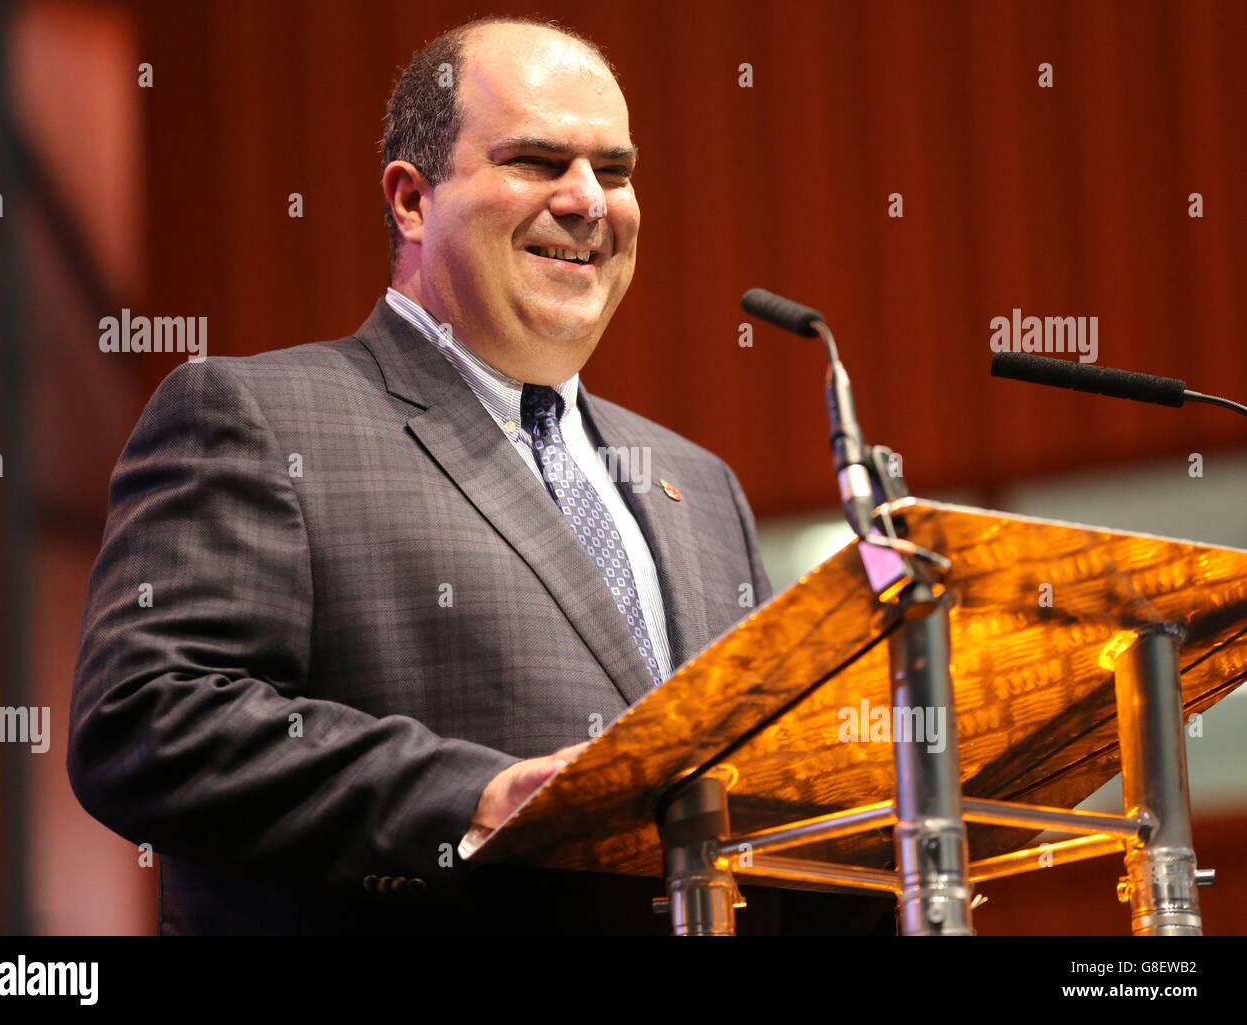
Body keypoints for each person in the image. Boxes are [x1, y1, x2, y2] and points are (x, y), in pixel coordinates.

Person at [69, 15, 892, 935]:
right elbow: (145, 719)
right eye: (539, 162)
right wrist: (472, 799)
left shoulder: (698, 486)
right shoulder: (253, 415)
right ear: (413, 201)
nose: (590, 201)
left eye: (614, 170)